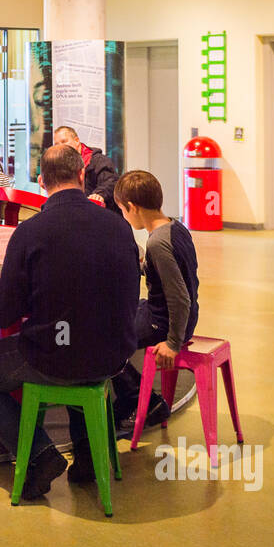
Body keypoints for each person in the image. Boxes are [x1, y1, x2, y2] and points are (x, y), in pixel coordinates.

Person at [0, 145, 139, 500]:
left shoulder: (30, 232)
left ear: (42, 182)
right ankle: (87, 456)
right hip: (114, 357)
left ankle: (40, 456)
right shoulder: (118, 227)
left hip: (55, 358)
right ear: (82, 176)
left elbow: (3, 313)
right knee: (76, 340)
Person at [109, 170, 200, 430]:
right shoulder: (175, 226)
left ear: (132, 208)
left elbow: (179, 296)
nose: (124, 217)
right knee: (121, 315)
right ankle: (132, 397)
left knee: (107, 337)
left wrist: (173, 342)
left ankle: (144, 401)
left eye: (123, 212)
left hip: (164, 322)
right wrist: (141, 264)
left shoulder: (157, 244)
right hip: (170, 313)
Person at [52, 125, 118, 209]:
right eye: (57, 144)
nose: (61, 147)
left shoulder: (99, 160)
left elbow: (111, 182)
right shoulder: (60, 166)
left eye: (64, 141)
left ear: (76, 140)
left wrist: (99, 195)